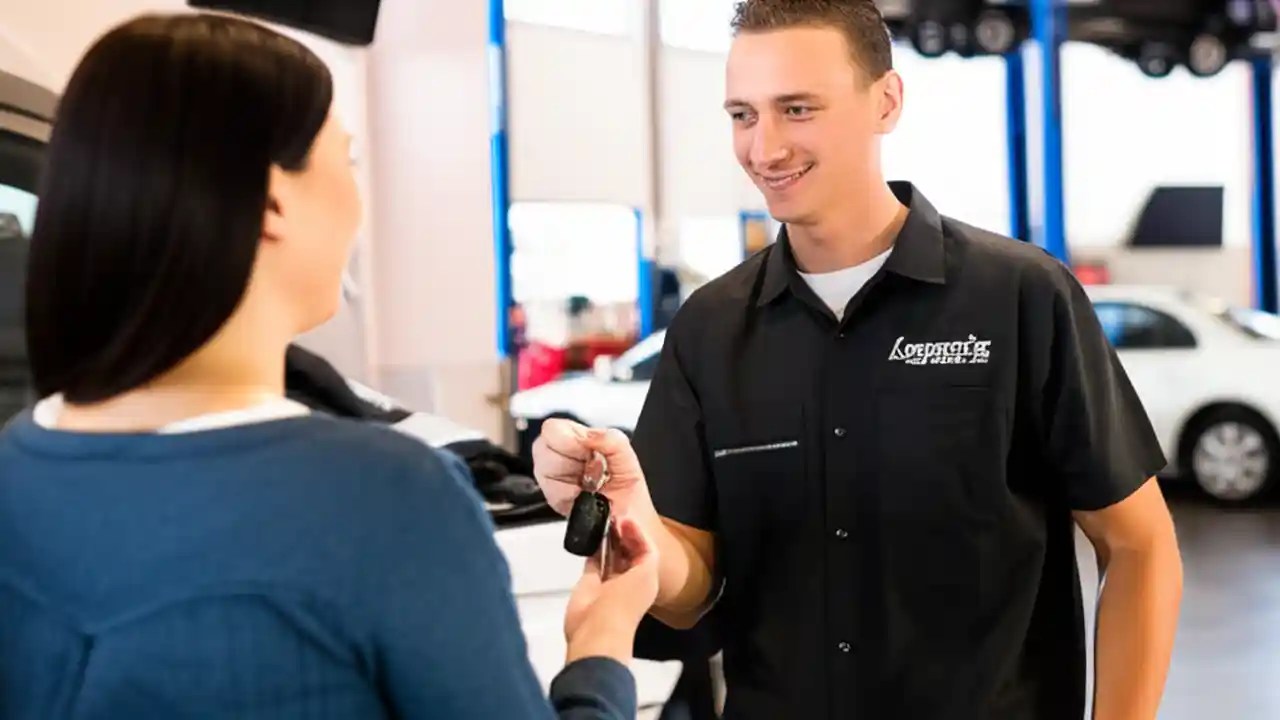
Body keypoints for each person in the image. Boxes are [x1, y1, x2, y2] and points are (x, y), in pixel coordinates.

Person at [533, 1, 1184, 719]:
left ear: (886, 101)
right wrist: (638, 522)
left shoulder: (1020, 297)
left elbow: (1139, 547)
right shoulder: (709, 329)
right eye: (743, 115)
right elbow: (690, 596)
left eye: (798, 109)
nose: (764, 148)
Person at [0, 13, 656, 719]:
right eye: (346, 161)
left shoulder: (18, 467)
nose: (356, 200)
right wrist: (601, 644)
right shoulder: (386, 496)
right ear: (272, 201)